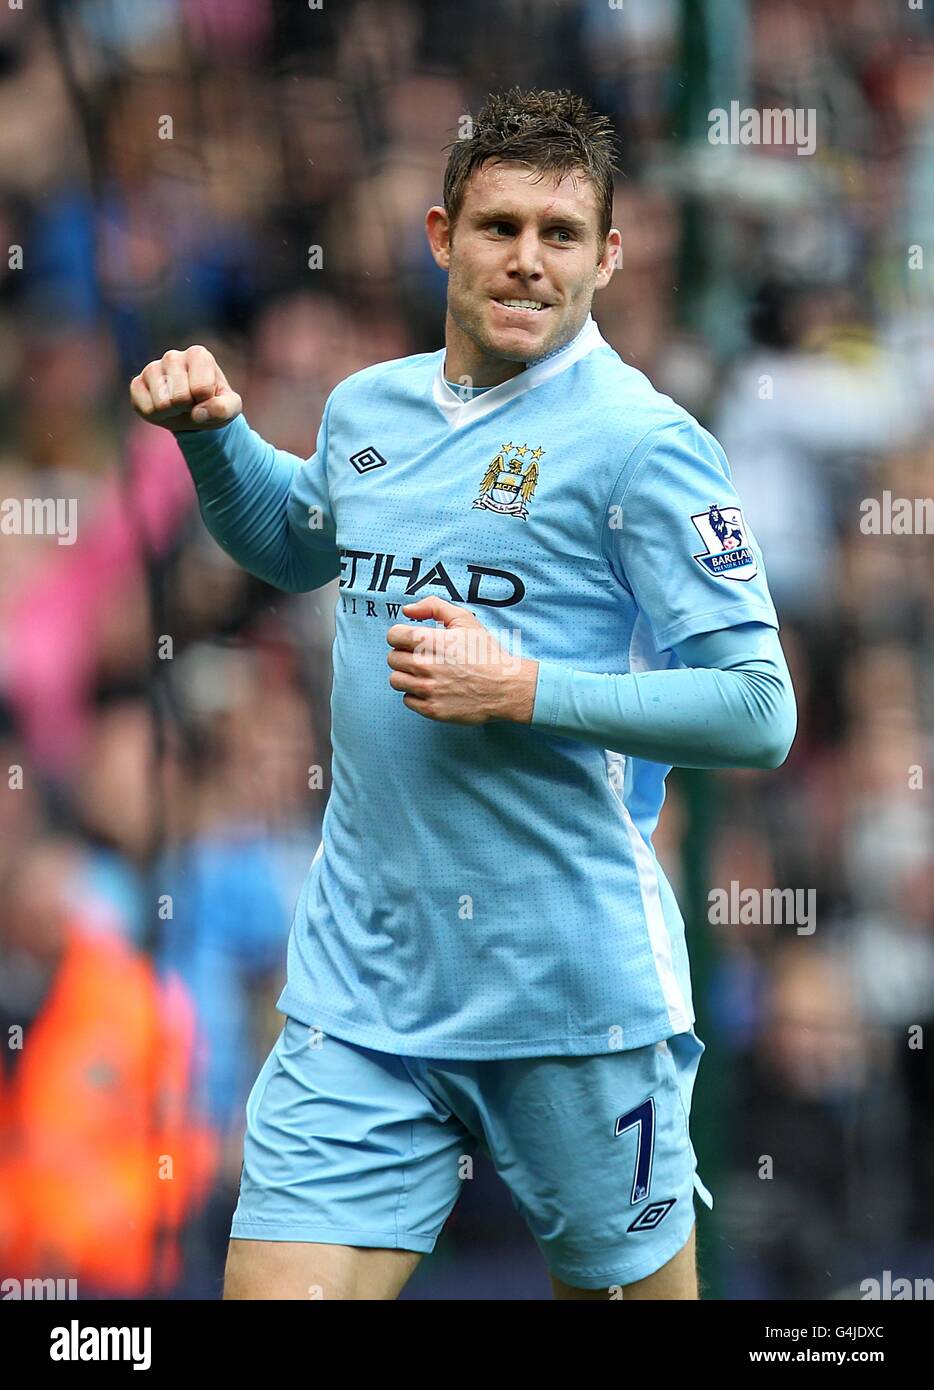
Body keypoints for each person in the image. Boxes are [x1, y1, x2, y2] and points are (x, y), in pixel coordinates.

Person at [130, 87, 796, 1301]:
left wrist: (524, 687)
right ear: (443, 235)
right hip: (362, 993)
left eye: (558, 233)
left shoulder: (644, 444)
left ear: (608, 253)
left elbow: (758, 708)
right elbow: (300, 544)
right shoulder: (366, 407)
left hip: (571, 996)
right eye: (499, 227)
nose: (527, 263)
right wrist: (216, 439)